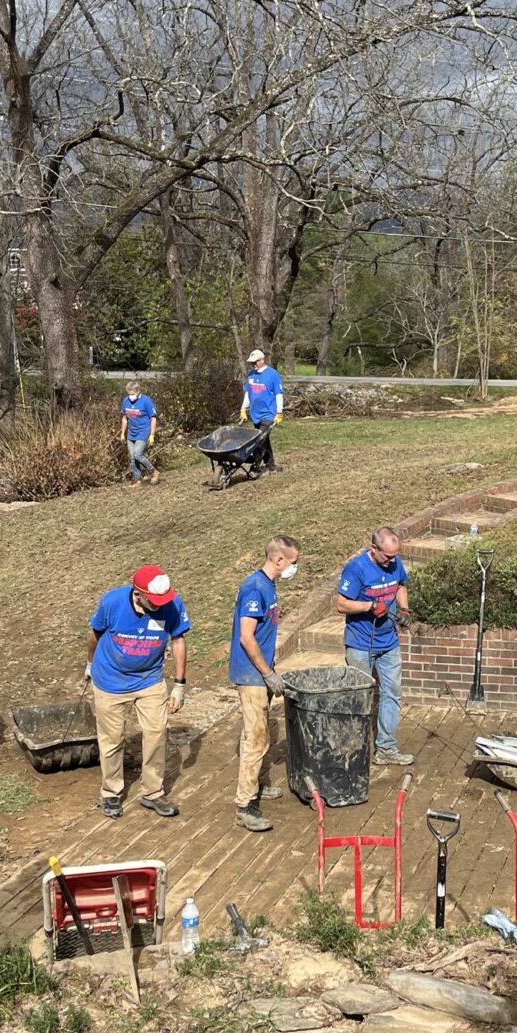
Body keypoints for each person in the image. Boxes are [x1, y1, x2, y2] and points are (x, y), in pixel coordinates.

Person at [87, 564, 190, 819]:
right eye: (154, 600)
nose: (160, 605)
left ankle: (152, 792)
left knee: (156, 733)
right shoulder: (112, 602)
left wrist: (179, 684)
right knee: (113, 738)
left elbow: (178, 640)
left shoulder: (172, 604)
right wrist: (90, 663)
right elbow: (95, 633)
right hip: (110, 680)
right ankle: (111, 792)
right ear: (137, 593)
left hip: (149, 679)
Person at [229, 535, 301, 832]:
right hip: (251, 675)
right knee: (256, 738)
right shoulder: (254, 588)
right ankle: (245, 805)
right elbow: (246, 637)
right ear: (279, 559)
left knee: (259, 734)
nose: (295, 567)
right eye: (293, 562)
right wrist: (267, 673)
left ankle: (257, 783)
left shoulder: (268, 586)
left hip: (260, 672)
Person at [336, 527, 414, 767]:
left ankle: (386, 749)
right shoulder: (356, 569)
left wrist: (404, 609)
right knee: (359, 697)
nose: (392, 561)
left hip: (389, 642)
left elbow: (400, 585)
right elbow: (341, 604)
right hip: (360, 644)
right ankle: (353, 752)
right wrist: (369, 606)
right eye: (387, 556)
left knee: (392, 693)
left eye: (395, 556)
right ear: (374, 549)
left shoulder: (394, 562)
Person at [239, 348, 283, 474]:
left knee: (259, 440)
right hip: (255, 414)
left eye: (255, 362)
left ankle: (255, 467)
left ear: (262, 360)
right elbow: (248, 393)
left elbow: (278, 394)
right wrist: (243, 409)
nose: (253, 365)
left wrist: (279, 412)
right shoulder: (251, 375)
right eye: (251, 363)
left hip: (268, 413)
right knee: (264, 439)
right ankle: (271, 466)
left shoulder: (273, 374)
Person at [120, 379, 160, 486]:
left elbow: (153, 418)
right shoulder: (126, 401)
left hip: (143, 431)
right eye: (129, 394)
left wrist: (152, 435)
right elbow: (124, 418)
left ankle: (153, 471)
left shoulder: (146, 401)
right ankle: (137, 479)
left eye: (132, 394)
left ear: (138, 392)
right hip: (131, 433)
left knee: (138, 454)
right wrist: (123, 433)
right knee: (132, 457)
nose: (130, 396)